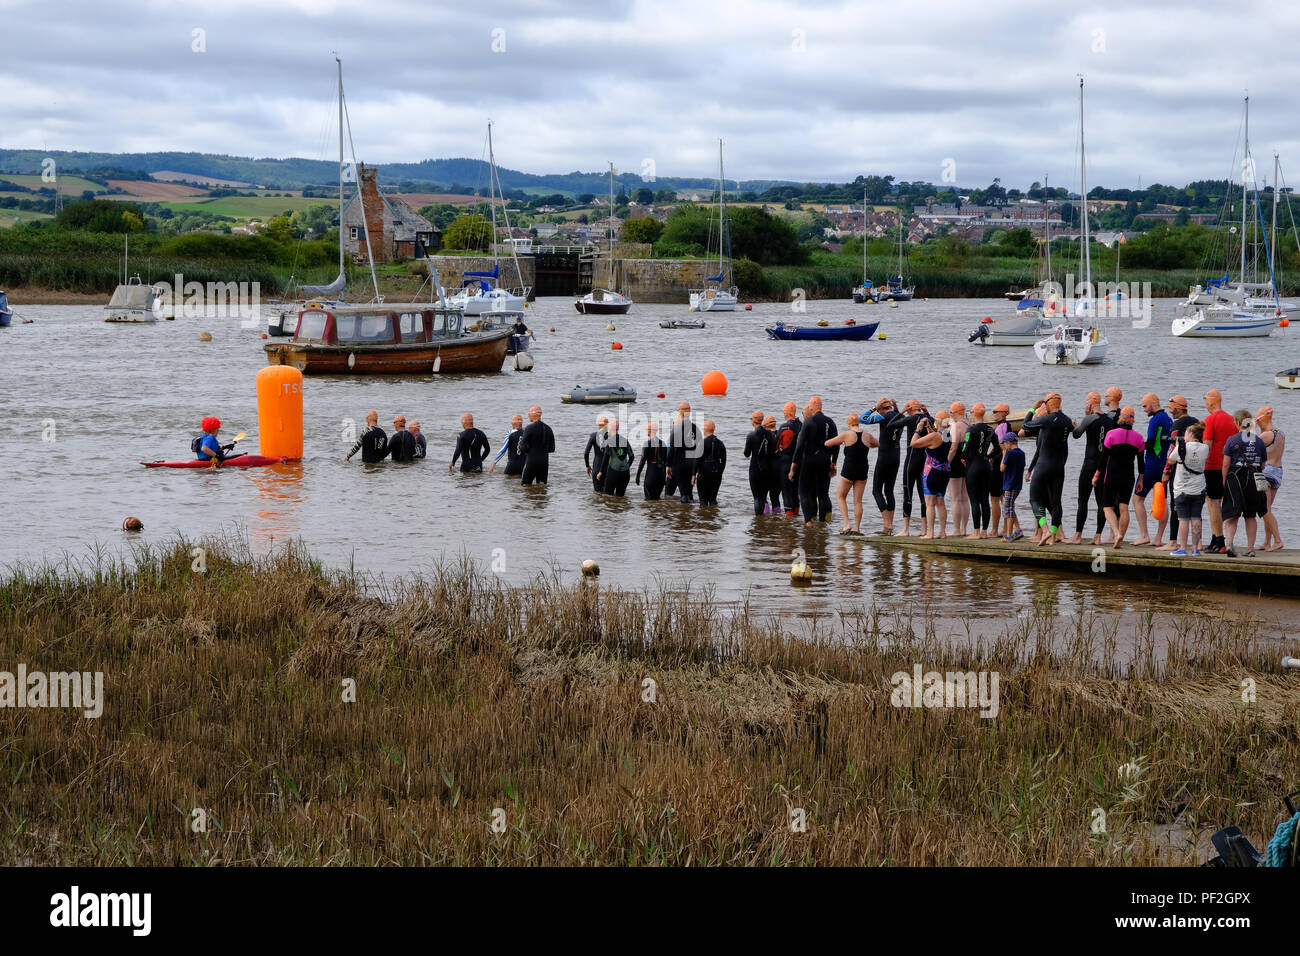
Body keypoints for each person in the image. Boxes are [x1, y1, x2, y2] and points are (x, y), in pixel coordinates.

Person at [1019, 392, 1072, 547]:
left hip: (1044, 465)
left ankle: (1045, 529)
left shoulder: (1047, 420)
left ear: (1048, 404)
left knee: (1034, 499)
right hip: (1059, 466)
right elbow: (1067, 445)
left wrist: (1033, 409)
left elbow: (1025, 425)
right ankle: (1053, 535)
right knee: (1056, 503)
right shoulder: (1067, 421)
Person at [1094, 406, 1145, 549]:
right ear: (1133, 420)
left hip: (1112, 475)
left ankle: (1116, 533)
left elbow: (1103, 459)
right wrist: (1140, 480)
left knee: (1107, 507)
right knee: (1124, 507)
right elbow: (1141, 463)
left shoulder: (1111, 434)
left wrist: (1096, 475)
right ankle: (1121, 536)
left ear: (1120, 418)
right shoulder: (1139, 438)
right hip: (1128, 477)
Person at [864, 397, 915, 535]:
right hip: (896, 455)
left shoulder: (883, 417)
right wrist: (898, 409)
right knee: (889, 490)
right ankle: (890, 524)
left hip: (884, 456)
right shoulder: (900, 417)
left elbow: (863, 419)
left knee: (876, 490)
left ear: (881, 409)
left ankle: (887, 524)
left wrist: (874, 407)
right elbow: (897, 416)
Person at [1221, 411, 1269, 557]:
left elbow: (1225, 464)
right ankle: (1251, 548)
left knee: (1232, 514)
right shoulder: (1259, 441)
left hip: (1235, 478)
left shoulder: (1232, 440)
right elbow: (1263, 465)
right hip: (1253, 479)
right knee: (1250, 515)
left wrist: (1224, 482)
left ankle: (1229, 544)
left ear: (1237, 422)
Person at [1130, 393, 1172, 547]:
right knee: (1163, 501)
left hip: (1151, 464)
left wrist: (1136, 446)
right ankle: (1159, 538)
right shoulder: (1168, 419)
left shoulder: (1155, 420)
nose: (1144, 410)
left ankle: (1144, 535)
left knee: (1137, 498)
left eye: (1145, 406)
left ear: (1154, 404)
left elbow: (1151, 443)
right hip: (1163, 465)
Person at [826, 412, 878, 535]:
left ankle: (847, 524)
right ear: (858, 422)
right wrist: (869, 445)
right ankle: (857, 528)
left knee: (840, 497)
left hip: (849, 470)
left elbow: (827, 443)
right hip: (863, 470)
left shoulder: (846, 435)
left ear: (849, 423)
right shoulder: (867, 435)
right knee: (858, 501)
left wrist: (840, 442)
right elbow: (877, 444)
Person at [1159, 395, 1200, 551]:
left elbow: (1173, 449)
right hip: (1196, 468)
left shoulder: (1178, 423)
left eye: (1171, 408)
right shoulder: (1196, 422)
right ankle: (1198, 543)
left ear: (1177, 408)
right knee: (1195, 507)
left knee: (1176, 503)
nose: (1170, 411)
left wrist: (1166, 470)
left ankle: (1172, 541)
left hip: (1179, 468)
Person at [1068, 391, 1108, 545]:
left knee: (1082, 500)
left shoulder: (1090, 418)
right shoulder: (1110, 420)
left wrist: (1077, 423)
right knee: (1101, 502)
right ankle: (1098, 536)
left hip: (1090, 463)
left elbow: (1076, 434)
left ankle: (1077, 536)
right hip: (1103, 465)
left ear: (1090, 404)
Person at [790, 396, 838, 525]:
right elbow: (836, 445)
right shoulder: (831, 422)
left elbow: (800, 446)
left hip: (809, 460)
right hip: (825, 461)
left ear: (812, 407)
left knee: (805, 492)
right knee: (823, 493)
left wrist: (793, 466)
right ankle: (825, 522)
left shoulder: (809, 422)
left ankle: (809, 522)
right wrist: (834, 463)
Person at [1201, 389, 1236, 553]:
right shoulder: (1232, 420)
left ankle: (1219, 540)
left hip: (1213, 466)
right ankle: (1218, 538)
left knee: (1213, 503)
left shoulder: (1210, 419)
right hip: (1230, 467)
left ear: (1210, 403)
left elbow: (1206, 444)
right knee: (1221, 502)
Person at [1166, 422, 1208, 556]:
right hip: (1199, 488)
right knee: (1196, 518)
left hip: (1182, 488)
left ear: (1190, 434)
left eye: (1185, 434)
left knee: (1183, 519)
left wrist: (1178, 446)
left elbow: (1171, 460)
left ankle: (1183, 548)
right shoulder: (1205, 448)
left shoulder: (1182, 447)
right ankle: (1195, 549)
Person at [911, 411, 950, 538]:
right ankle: (943, 532)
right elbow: (936, 442)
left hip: (932, 472)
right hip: (944, 472)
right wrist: (929, 428)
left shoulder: (934, 436)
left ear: (937, 422)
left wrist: (918, 429)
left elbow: (914, 443)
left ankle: (931, 532)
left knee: (930, 504)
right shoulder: (947, 434)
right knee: (940, 502)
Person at [961, 403, 998, 539]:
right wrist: (988, 457)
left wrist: (964, 458)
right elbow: (998, 448)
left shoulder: (970, 430)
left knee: (974, 499)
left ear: (974, 414)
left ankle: (976, 532)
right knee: (984, 500)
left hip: (973, 467)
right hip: (986, 466)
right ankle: (984, 531)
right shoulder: (990, 429)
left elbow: (965, 448)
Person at [901, 400, 935, 536]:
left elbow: (892, 425)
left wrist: (901, 411)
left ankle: (905, 530)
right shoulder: (928, 419)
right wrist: (927, 412)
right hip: (924, 460)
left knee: (907, 493)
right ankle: (924, 529)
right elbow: (934, 426)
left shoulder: (910, 419)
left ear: (910, 409)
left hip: (911, 460)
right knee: (923, 495)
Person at [1256, 406, 1285, 551]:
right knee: (1268, 508)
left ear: (1262, 419)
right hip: (1278, 471)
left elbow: (1248, 443)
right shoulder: (1281, 433)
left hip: (1265, 473)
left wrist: (1252, 427)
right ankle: (1267, 542)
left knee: (1264, 509)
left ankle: (1278, 540)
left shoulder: (1265, 436)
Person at [743, 410, 775, 516]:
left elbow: (746, 454)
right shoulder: (770, 434)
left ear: (754, 420)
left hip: (755, 469)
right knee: (763, 496)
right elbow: (773, 450)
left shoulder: (751, 435)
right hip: (767, 469)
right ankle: (763, 521)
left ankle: (758, 521)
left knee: (757, 497)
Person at [668, 402, 700, 503]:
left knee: (683, 494)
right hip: (691, 464)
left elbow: (672, 450)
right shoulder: (695, 428)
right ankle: (690, 515)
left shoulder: (676, 429)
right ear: (689, 411)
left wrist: (668, 465)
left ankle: (683, 516)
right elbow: (700, 447)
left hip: (679, 464)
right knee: (689, 492)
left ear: (680, 412)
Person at [774, 402, 802, 516]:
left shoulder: (783, 426)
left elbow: (776, 445)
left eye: (784, 411)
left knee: (786, 491)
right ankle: (796, 516)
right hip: (799, 462)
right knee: (796, 491)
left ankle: (789, 521)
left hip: (786, 461)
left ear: (787, 412)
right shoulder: (802, 425)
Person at [597, 419, 636, 497]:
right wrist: (627, 466)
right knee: (620, 497)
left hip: (613, 473)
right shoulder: (625, 440)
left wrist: (600, 472)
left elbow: (606, 458)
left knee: (608, 497)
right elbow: (632, 456)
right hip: (625, 474)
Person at [518, 406, 554, 486]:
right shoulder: (548, 428)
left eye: (529, 414)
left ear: (534, 415)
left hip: (532, 461)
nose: (528, 416)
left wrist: (531, 452)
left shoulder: (529, 428)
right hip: (544, 462)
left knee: (525, 486)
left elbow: (522, 446)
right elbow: (552, 448)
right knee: (542, 487)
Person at [999, 433, 1025, 541]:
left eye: (1004, 443)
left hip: (1009, 484)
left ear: (1009, 442)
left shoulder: (1009, 453)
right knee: (1010, 507)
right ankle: (1018, 530)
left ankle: (1009, 534)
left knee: (1008, 509)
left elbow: (1002, 468)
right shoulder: (1022, 453)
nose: (1004, 446)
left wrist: (1004, 454)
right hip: (1017, 485)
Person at [695, 420, 726, 506]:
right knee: (713, 499)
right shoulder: (720, 443)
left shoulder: (702, 443)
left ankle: (704, 518)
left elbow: (697, 460)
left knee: (703, 500)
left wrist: (693, 475)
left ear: (705, 429)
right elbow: (724, 461)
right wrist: (720, 472)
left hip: (704, 473)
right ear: (714, 429)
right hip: (716, 473)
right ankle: (712, 517)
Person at [637, 420, 668, 500]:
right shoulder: (663, 444)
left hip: (651, 476)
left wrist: (638, 476)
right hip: (660, 477)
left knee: (649, 502)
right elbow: (665, 463)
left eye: (647, 429)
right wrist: (664, 478)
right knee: (657, 500)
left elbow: (642, 462)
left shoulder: (647, 444)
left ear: (649, 430)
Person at [763, 415, 783, 513]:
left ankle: (765, 517)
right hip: (779, 469)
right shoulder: (781, 434)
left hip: (767, 469)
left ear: (766, 425)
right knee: (775, 496)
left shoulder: (764, 435)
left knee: (763, 495)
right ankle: (777, 517)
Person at [584, 415, 610, 492]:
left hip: (597, 467)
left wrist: (587, 466)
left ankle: (598, 504)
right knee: (609, 494)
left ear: (599, 425)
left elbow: (586, 453)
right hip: (608, 468)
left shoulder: (593, 436)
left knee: (597, 494)